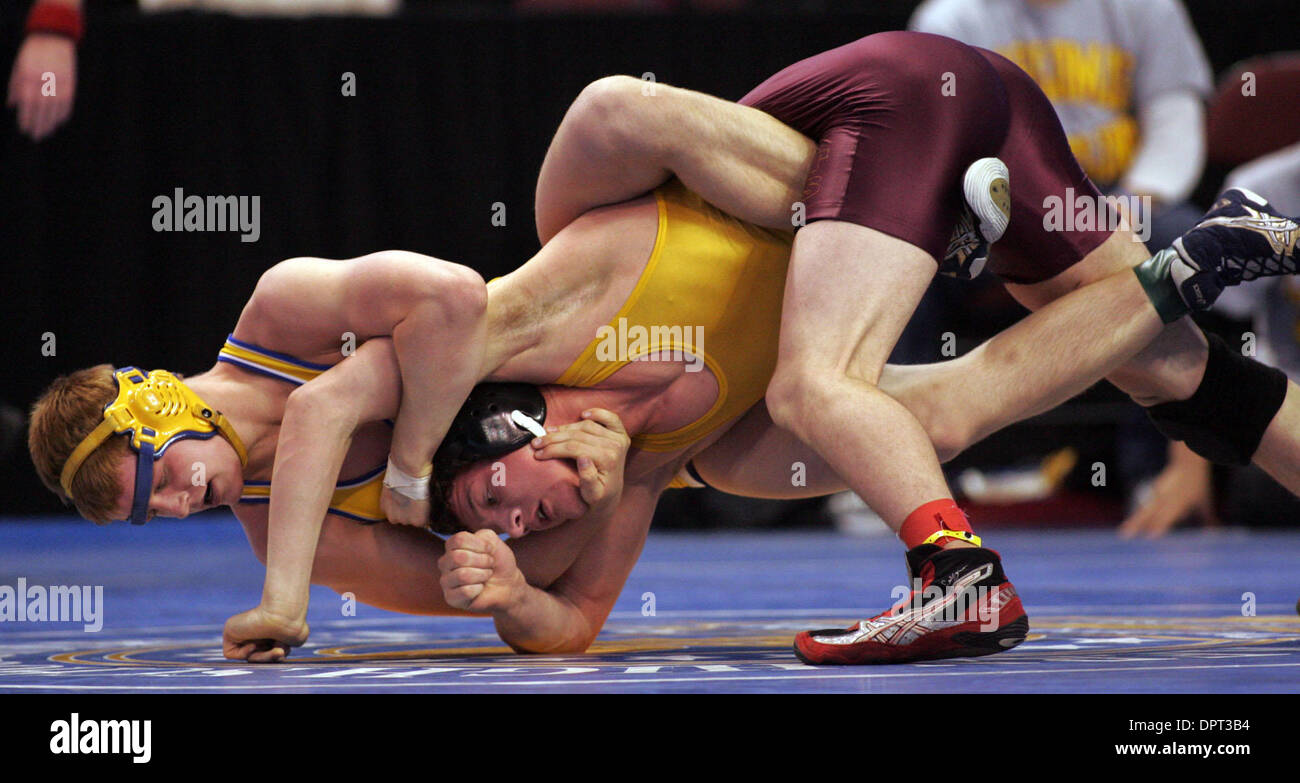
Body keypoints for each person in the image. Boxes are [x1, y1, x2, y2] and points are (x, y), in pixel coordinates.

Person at [29, 33, 1300, 664]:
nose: (177, 504)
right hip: (951, 166)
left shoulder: (476, 314)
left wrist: (397, 483)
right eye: (151, 519)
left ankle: (962, 572)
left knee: (631, 163)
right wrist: (506, 584)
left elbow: (423, 325)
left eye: (153, 480)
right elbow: (552, 612)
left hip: (886, 120)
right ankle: (1206, 256)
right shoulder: (688, 465)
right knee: (1153, 367)